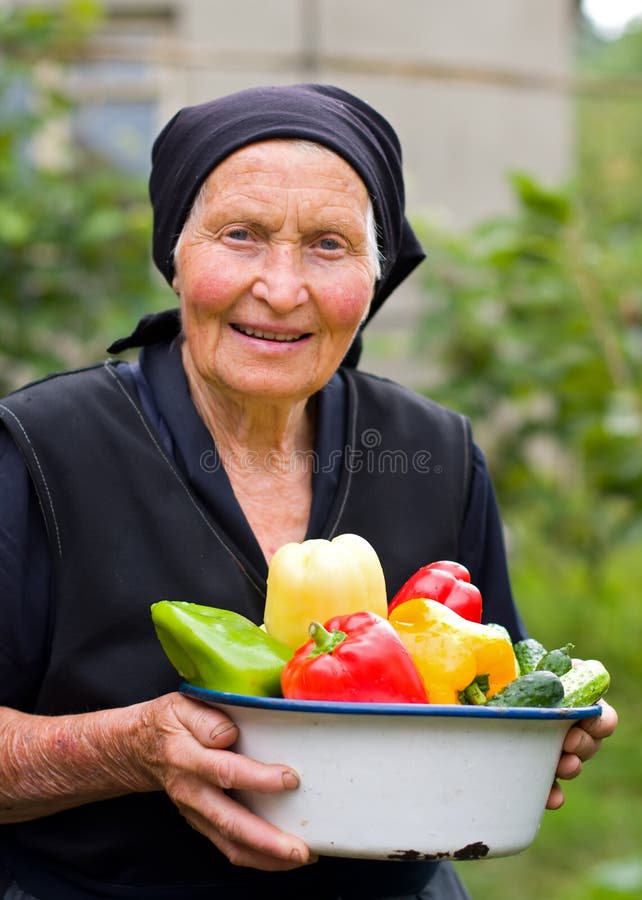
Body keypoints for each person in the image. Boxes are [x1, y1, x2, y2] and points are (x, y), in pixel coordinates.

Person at [0, 83, 617, 900]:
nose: (282, 288)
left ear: (376, 275)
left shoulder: (433, 451)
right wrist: (129, 747)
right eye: (241, 235)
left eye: (329, 245)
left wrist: (532, 736)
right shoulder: (42, 449)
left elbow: (491, 694)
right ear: (176, 252)